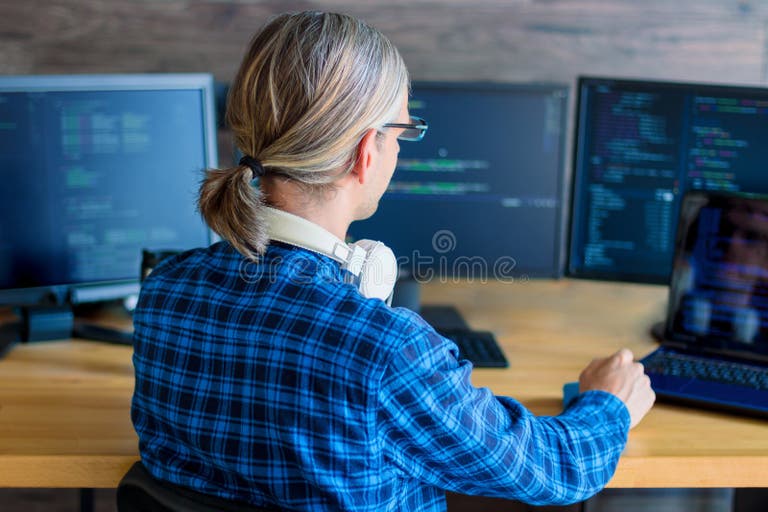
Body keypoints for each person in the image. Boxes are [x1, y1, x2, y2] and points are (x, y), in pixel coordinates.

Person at [131, 10, 655, 512]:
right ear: (366, 152)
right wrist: (610, 404)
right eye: (402, 133)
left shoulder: (163, 294)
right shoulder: (387, 352)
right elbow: (555, 468)